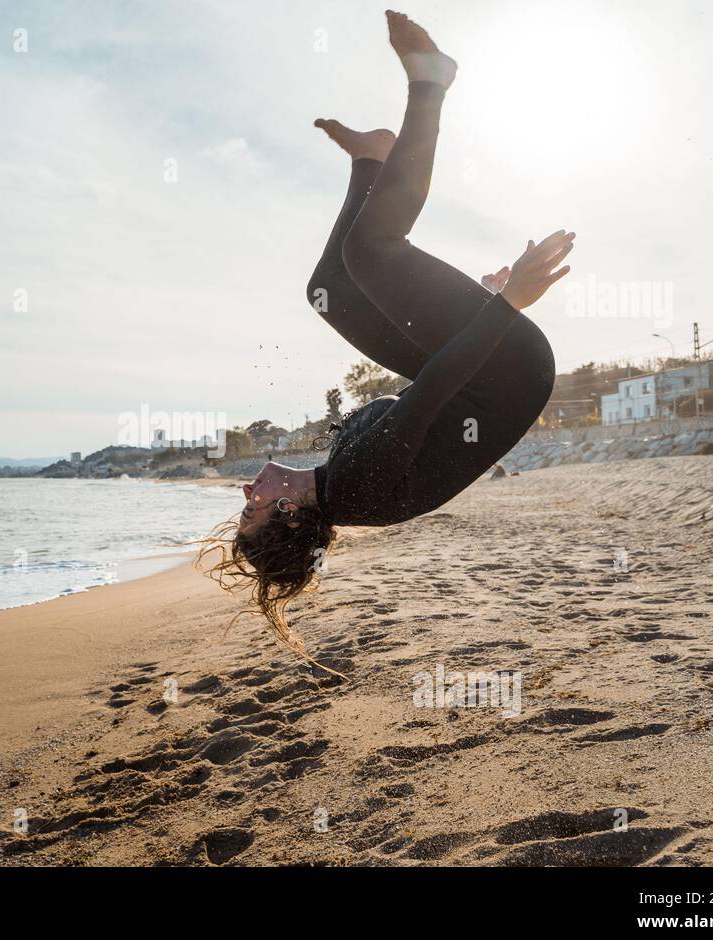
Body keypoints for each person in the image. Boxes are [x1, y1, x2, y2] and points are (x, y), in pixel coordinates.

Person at [202, 10, 568, 658]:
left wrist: (465, 303)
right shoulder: (359, 483)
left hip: (476, 371)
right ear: (288, 513)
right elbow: (432, 387)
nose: (246, 491)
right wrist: (504, 303)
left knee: (328, 293)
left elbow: (433, 390)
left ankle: (373, 158)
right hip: (508, 368)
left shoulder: (340, 480)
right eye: (253, 508)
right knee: (371, 253)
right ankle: (431, 82)